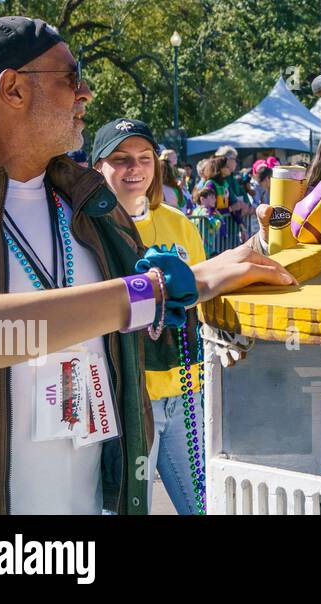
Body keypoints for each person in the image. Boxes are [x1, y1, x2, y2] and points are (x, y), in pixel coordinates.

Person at [0, 17, 295, 514]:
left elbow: (139, 336)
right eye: (71, 78)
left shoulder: (92, 208)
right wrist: (146, 293)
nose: (85, 93)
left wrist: (219, 292)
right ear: (12, 88)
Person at [92, 118, 209, 515]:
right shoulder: (86, 230)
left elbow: (201, 299)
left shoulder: (179, 224)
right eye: (121, 159)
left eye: (144, 158)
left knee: (203, 507)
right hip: (127, 401)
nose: (134, 168)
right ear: (97, 167)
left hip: (185, 394)